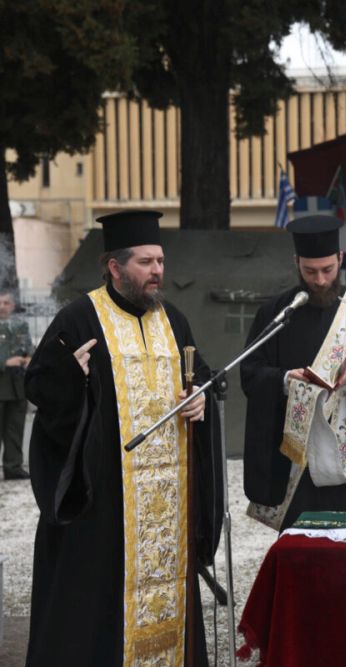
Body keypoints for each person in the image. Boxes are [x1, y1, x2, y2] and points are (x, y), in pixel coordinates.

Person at [24, 210, 223, 665]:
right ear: (114, 267)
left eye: (160, 261)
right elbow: (40, 387)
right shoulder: (78, 319)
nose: (157, 272)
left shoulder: (173, 320)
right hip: (105, 508)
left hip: (168, 507)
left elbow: (204, 378)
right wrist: (68, 377)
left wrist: (200, 400)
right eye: (146, 263)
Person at [241, 215, 346, 531]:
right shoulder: (276, 312)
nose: (321, 280)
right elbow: (251, 372)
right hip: (297, 464)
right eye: (310, 271)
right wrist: (285, 381)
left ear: (340, 259)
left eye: (328, 270)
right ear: (296, 262)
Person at [0, 288, 32, 480]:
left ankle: (13, 467)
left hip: (18, 387)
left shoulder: (21, 326)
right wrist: (4, 363)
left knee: (14, 430)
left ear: (12, 306)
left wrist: (30, 357)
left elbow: (29, 347)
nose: (2, 307)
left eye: (6, 303)